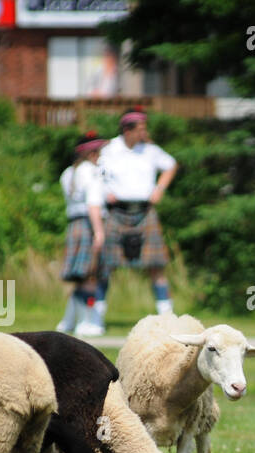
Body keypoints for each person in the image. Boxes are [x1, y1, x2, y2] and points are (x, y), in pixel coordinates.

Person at [92, 107, 178, 336]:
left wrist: (160, 188)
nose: (144, 132)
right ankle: (95, 318)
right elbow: (95, 173)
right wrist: (104, 191)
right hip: (117, 212)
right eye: (141, 129)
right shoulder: (109, 150)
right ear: (127, 130)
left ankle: (167, 320)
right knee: (105, 267)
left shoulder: (151, 150)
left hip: (144, 211)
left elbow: (171, 165)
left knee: (156, 266)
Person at [56, 131, 107, 334]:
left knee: (79, 276)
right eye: (97, 151)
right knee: (90, 276)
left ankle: (69, 321)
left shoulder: (68, 172)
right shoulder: (90, 171)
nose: (100, 155)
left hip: (74, 223)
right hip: (89, 223)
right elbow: (93, 203)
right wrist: (99, 232)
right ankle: (88, 322)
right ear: (90, 153)